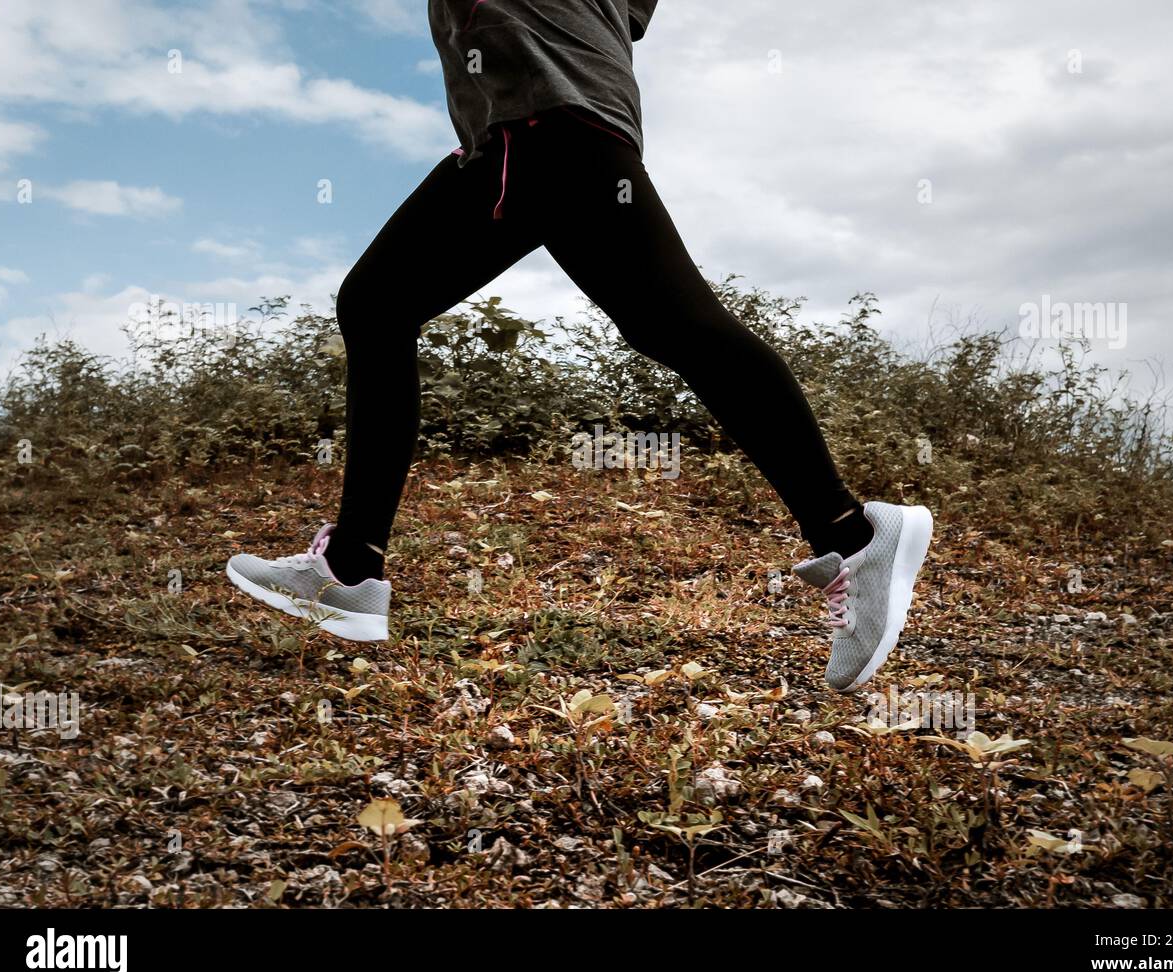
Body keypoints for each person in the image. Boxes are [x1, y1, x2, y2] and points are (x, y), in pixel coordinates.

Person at [225, 0, 933, 693]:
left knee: (676, 325)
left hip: (552, 115)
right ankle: (351, 569)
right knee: (385, 304)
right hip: (519, 127)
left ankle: (852, 533)